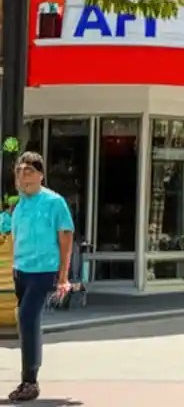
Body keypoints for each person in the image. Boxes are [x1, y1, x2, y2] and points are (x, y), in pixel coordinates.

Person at [7, 152, 73, 402]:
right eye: (20, 172)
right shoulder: (18, 204)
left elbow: (66, 237)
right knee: (26, 321)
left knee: (27, 316)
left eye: (29, 171)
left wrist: (64, 276)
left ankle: (30, 381)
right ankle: (29, 378)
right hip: (21, 270)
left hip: (44, 270)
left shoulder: (54, 202)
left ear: (41, 175)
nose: (24, 177)